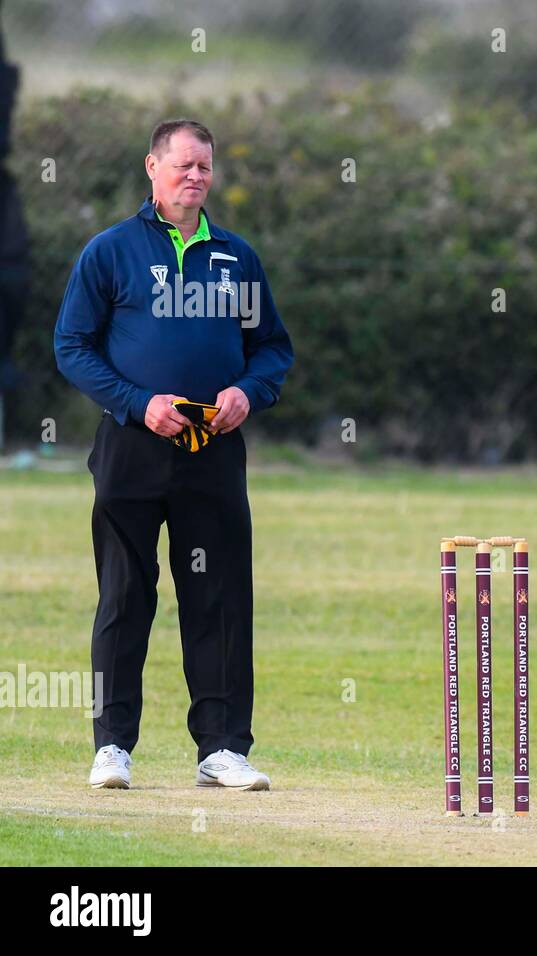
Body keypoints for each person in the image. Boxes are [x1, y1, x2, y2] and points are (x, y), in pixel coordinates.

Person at [54, 119, 293, 791]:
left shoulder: (235, 258)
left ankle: (221, 749)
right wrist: (138, 402)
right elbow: (73, 346)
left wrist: (250, 391)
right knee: (125, 594)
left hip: (212, 449)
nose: (196, 176)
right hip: (133, 445)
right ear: (152, 168)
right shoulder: (110, 252)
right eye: (184, 164)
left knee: (217, 596)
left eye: (205, 167)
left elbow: (272, 346)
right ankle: (112, 747)